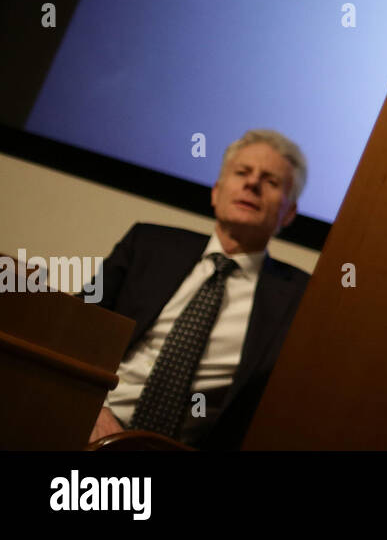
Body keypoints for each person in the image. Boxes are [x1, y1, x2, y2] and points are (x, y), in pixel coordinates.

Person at [86, 129, 311, 450]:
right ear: (216, 192)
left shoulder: (302, 298)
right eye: (242, 173)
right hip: (89, 421)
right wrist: (94, 410)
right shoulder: (147, 245)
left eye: (271, 181)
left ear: (289, 213)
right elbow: (72, 332)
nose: (252, 184)